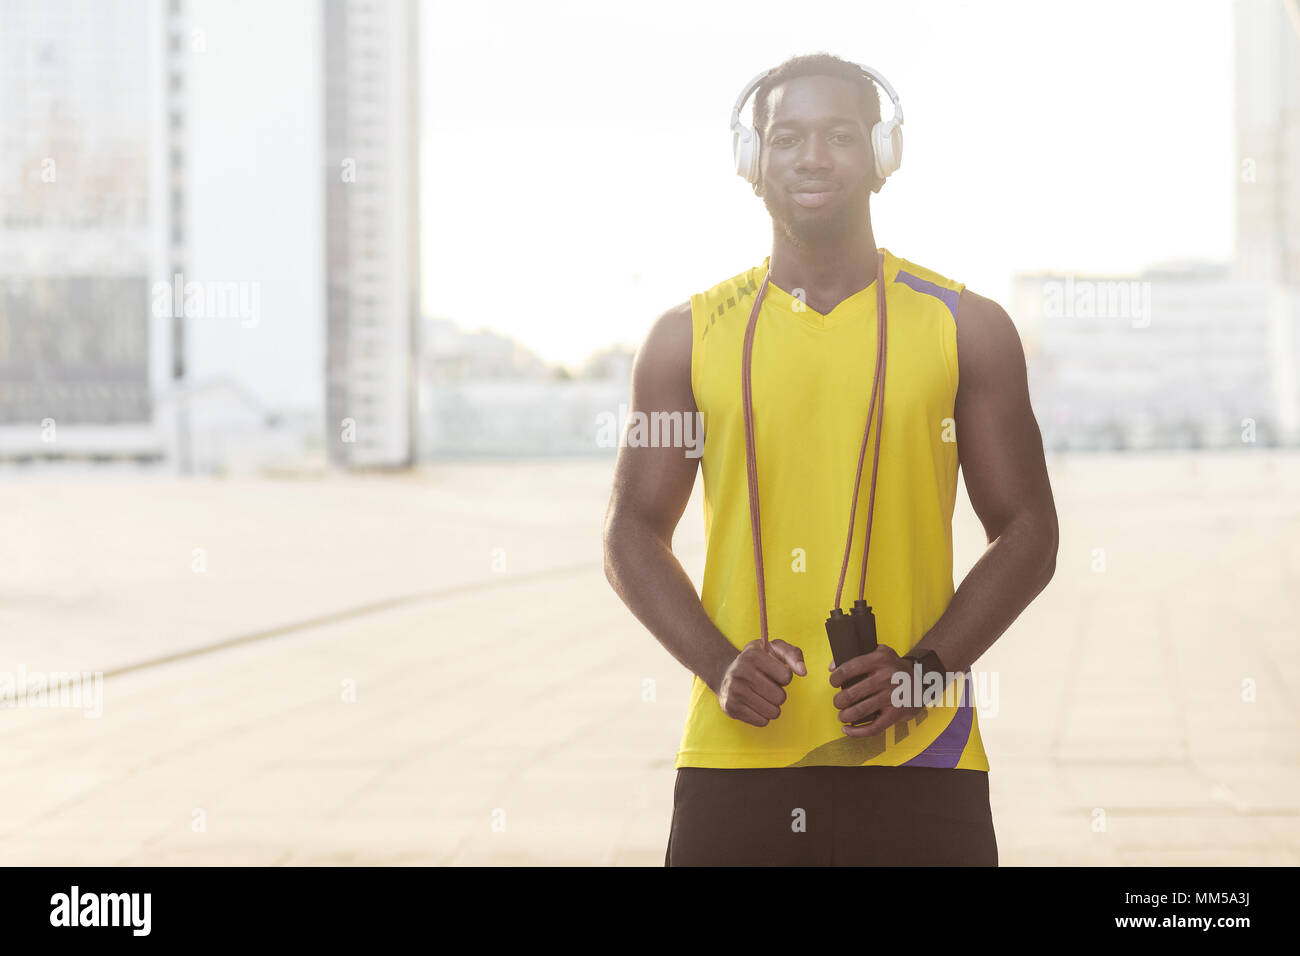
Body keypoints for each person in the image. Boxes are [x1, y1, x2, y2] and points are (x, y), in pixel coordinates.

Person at [602, 52, 1059, 866]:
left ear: (884, 158)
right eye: (787, 138)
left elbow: (1028, 532)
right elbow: (631, 533)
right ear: (753, 164)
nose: (813, 157)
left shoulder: (967, 327)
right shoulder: (685, 339)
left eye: (841, 135)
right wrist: (717, 665)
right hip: (736, 758)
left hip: (922, 759)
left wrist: (923, 675)